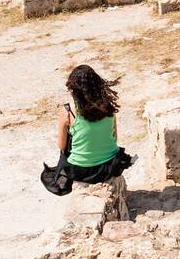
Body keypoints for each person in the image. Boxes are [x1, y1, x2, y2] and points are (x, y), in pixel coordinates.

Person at [40, 65, 134, 195]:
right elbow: (114, 137)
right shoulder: (108, 107)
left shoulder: (68, 111)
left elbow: (61, 146)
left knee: (65, 152)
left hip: (80, 170)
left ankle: (62, 183)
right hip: (110, 165)